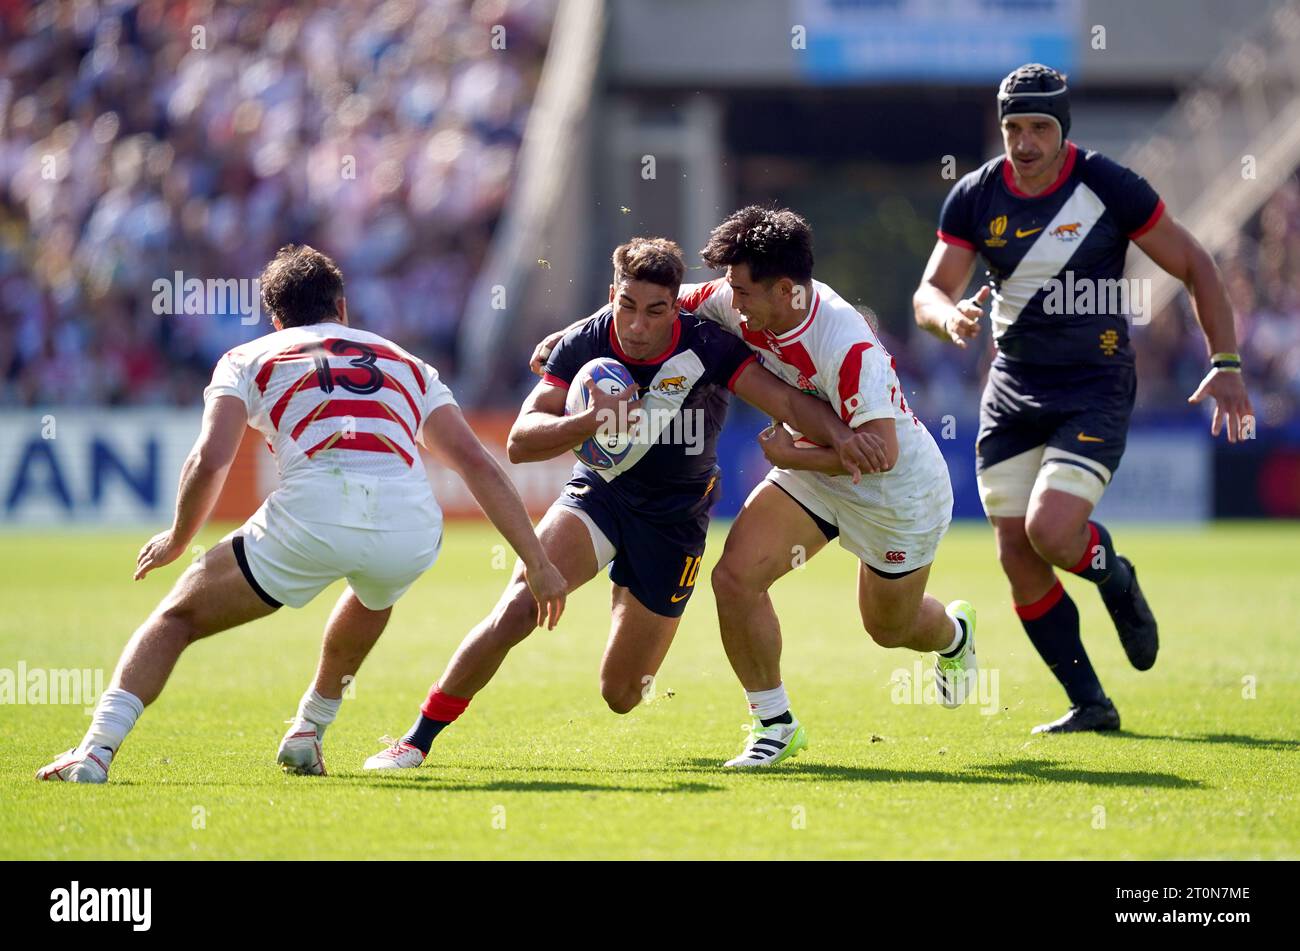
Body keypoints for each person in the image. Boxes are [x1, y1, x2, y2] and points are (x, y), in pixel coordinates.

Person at [35, 245, 565, 782]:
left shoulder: (248, 357)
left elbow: (210, 458)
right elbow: (477, 463)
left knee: (177, 617)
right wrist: (537, 561)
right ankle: (310, 727)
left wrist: (178, 537)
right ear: (342, 307)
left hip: (314, 511)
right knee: (375, 589)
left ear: (275, 318)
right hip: (411, 524)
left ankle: (95, 751)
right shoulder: (408, 363)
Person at [364, 236, 881, 770]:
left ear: (676, 305)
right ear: (612, 295)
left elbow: (787, 400)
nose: (637, 325)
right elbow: (521, 440)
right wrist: (587, 422)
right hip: (601, 494)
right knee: (518, 606)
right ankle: (416, 739)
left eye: (656, 311)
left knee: (621, 693)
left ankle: (629, 584)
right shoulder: (586, 342)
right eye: (627, 307)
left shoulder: (709, 344)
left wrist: (842, 438)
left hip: (673, 520)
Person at [531, 210, 976, 769]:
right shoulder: (737, 295)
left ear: (787, 291)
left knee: (890, 629)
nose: (730, 301)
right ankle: (774, 723)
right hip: (815, 473)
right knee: (735, 578)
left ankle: (954, 636)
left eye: (741, 290)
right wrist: (574, 337)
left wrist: (792, 454)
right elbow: (657, 300)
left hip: (897, 492)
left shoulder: (845, 342)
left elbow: (878, 454)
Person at [913, 64, 1254, 733]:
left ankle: (1115, 577)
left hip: (1094, 386)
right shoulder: (976, 196)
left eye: (1040, 127)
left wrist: (1227, 363)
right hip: (1011, 391)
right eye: (1015, 127)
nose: (1026, 141)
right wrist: (946, 317)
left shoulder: (1107, 185)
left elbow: (1195, 264)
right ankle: (1091, 703)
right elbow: (930, 289)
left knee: (1050, 531)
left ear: (1062, 129)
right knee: (1015, 551)